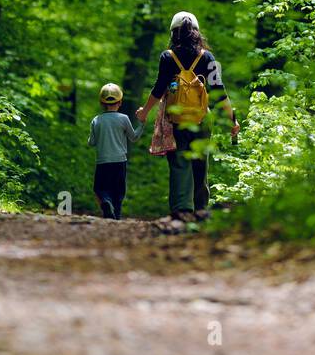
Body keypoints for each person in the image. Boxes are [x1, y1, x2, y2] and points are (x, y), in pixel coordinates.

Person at [137, 11, 239, 220]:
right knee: (200, 164)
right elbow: (219, 91)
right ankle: (201, 210)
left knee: (178, 164)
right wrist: (232, 120)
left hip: (176, 120)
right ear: (196, 32)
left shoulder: (168, 56)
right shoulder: (207, 57)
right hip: (202, 119)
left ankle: (180, 210)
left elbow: (159, 89)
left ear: (173, 32)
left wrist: (145, 111)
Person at [88, 83, 142, 220]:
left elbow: (91, 142)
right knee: (118, 191)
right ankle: (116, 216)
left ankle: (106, 202)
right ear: (120, 102)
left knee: (100, 188)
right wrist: (142, 123)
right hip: (120, 161)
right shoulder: (124, 118)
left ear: (101, 102)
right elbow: (134, 137)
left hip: (102, 161)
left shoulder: (96, 120)